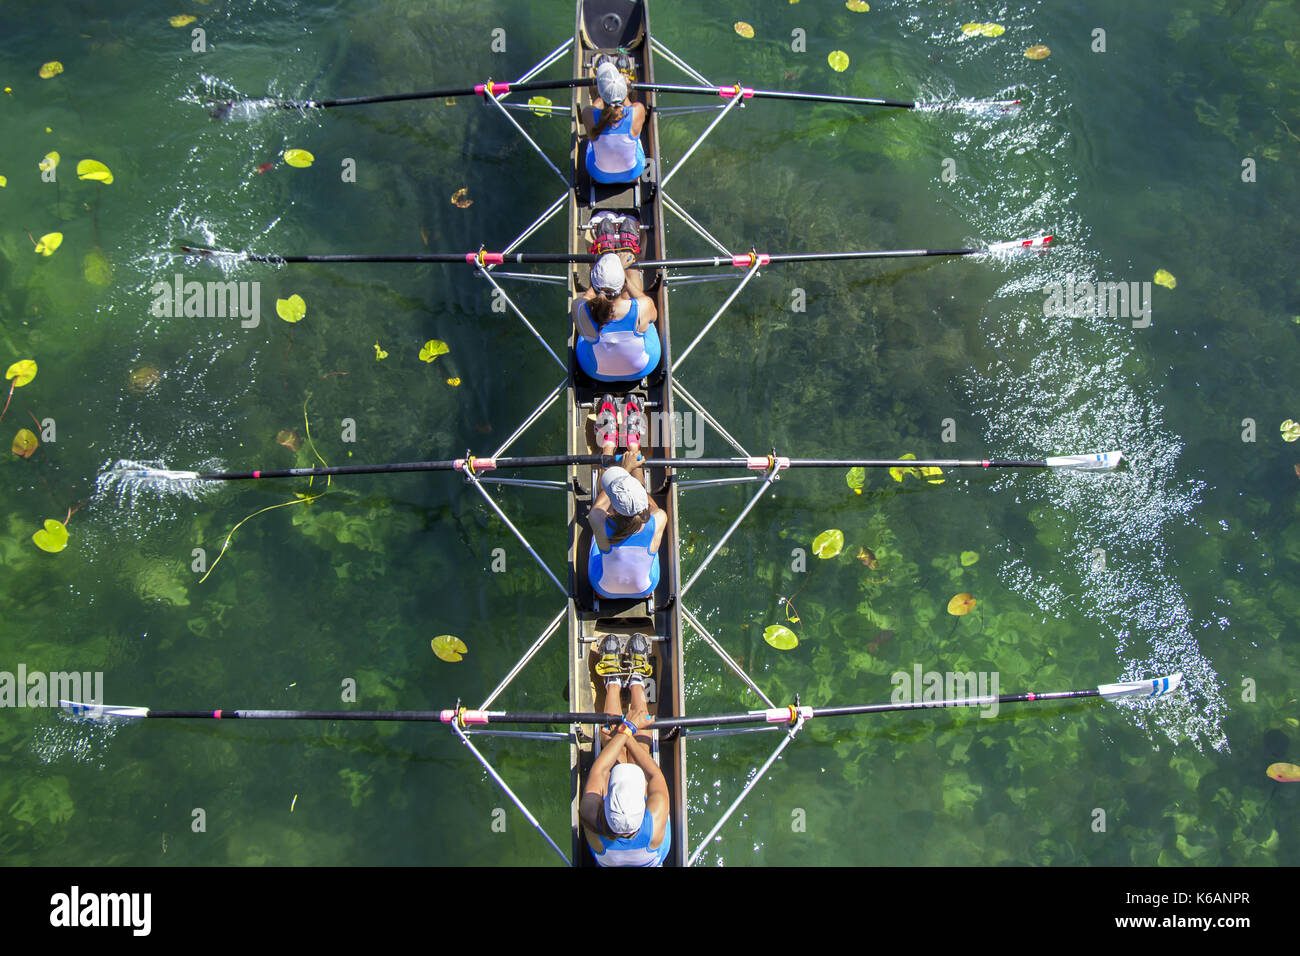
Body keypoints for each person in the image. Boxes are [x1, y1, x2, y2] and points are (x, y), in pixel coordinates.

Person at [579, 634, 671, 866]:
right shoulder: (656, 820)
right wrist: (628, 732)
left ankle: (613, 682)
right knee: (638, 751)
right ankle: (637, 679)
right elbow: (654, 774)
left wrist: (626, 730)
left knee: (612, 750)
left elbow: (600, 769)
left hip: (609, 841)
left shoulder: (590, 815)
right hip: (641, 835)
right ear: (643, 809)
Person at [587, 449, 665, 600]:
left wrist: (625, 470)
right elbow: (652, 509)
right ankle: (634, 450)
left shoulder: (597, 519)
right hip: (644, 590)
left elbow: (600, 505)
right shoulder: (660, 518)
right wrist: (635, 488)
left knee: (603, 496)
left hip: (604, 591)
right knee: (653, 543)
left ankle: (607, 452)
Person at [572, 251, 660, 382]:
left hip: (594, 371)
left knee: (585, 332)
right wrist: (624, 273)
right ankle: (631, 259)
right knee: (647, 318)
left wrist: (599, 279)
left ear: (594, 286)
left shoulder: (579, 307)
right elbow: (644, 301)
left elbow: (588, 297)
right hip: (641, 370)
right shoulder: (644, 305)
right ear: (623, 283)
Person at [582, 60, 647, 184]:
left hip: (599, 177)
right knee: (637, 140)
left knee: (590, 143)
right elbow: (629, 105)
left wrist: (601, 95)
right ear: (624, 91)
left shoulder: (588, 113)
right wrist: (624, 89)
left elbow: (596, 106)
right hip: (633, 175)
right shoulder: (639, 109)